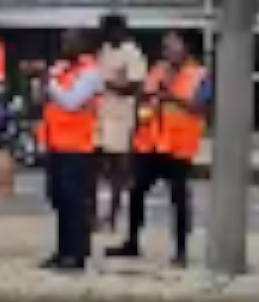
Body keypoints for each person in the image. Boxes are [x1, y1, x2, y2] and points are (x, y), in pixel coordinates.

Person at [106, 30, 211, 267]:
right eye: (165, 47)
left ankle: (181, 251)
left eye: (172, 46)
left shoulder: (200, 75)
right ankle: (132, 242)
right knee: (136, 192)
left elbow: (200, 108)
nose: (167, 51)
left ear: (186, 48)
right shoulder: (157, 70)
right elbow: (144, 97)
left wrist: (170, 97)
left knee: (179, 199)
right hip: (150, 143)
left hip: (178, 148)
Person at [40, 30, 103, 273]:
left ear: (83, 44)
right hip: (56, 143)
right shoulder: (61, 68)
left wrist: (49, 82)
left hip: (79, 147)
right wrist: (42, 82)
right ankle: (63, 250)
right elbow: (44, 96)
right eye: (63, 41)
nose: (64, 45)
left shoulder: (91, 72)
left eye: (70, 41)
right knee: (59, 199)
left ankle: (77, 254)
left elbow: (72, 102)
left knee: (76, 202)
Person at [94, 14, 147, 231]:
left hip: (122, 116)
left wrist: (110, 85)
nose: (107, 35)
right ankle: (96, 214)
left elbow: (136, 87)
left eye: (109, 30)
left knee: (118, 170)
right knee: (99, 166)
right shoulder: (104, 50)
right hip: (101, 114)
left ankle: (112, 216)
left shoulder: (132, 53)